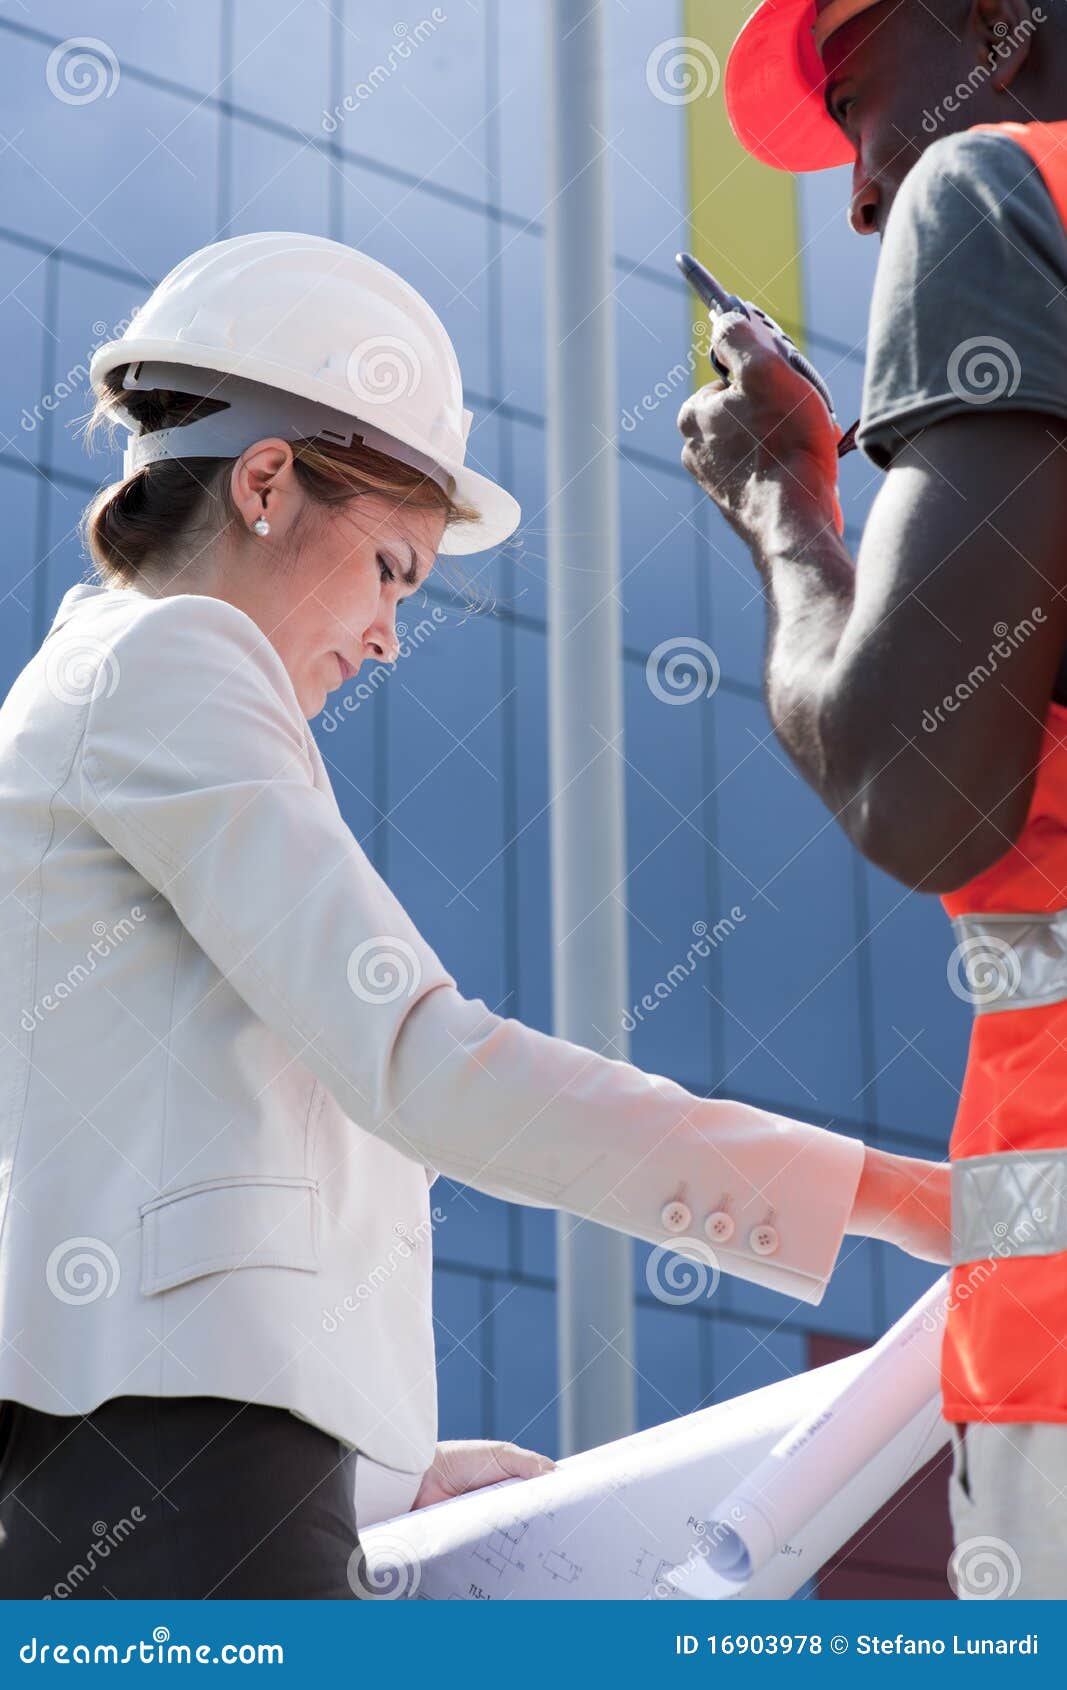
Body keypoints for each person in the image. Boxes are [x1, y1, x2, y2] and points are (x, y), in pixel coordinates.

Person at [0, 231, 946, 1600]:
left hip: (154, 1481)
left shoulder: (103, 688)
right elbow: (430, 1068)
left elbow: (153, 1162)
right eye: (391, 567)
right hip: (181, 1493)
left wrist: (386, 1467)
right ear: (265, 481)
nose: (390, 633)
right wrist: (905, 1196)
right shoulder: (174, 658)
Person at [678, 0, 1067, 1601]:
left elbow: (917, 787)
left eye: (855, 98)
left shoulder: (1000, 190)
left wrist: (786, 503)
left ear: (998, 22)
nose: (855, 191)